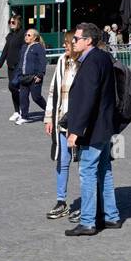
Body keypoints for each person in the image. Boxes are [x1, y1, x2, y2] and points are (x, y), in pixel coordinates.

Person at [64, 23, 122, 236]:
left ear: (88, 40)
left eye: (76, 39)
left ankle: (88, 221)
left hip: (93, 128)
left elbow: (87, 99)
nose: (73, 42)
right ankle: (111, 216)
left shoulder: (90, 62)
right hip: (105, 126)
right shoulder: (102, 57)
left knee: (87, 172)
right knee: (104, 170)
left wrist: (76, 131)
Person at [43, 32, 81, 219]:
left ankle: (87, 204)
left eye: (68, 43)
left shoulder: (83, 63)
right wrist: (49, 117)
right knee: (62, 161)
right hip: (61, 120)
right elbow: (52, 90)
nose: (66, 46)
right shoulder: (61, 61)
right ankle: (61, 201)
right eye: (65, 43)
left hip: (80, 122)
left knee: (84, 164)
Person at [0, 14, 26, 123]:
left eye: (13, 22)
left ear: (18, 22)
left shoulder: (23, 34)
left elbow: (24, 50)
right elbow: (5, 51)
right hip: (10, 66)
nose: (11, 24)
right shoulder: (9, 36)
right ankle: (17, 111)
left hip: (19, 66)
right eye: (10, 22)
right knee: (13, 89)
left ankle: (23, 110)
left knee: (14, 86)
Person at [14, 28, 48, 124]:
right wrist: (19, 73)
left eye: (29, 35)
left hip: (35, 77)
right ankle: (24, 116)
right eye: (26, 35)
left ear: (35, 37)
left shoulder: (38, 47)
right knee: (23, 97)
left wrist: (40, 75)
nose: (26, 37)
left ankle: (49, 111)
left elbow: (43, 62)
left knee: (36, 97)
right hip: (24, 77)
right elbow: (21, 62)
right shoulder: (24, 47)